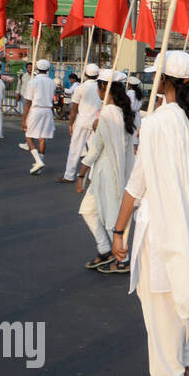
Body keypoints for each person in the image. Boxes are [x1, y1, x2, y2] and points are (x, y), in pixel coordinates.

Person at [108, 50, 189, 376]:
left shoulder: (156, 122)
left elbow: (138, 183)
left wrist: (119, 230)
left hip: (160, 224)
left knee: (159, 304)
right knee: (177, 292)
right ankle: (182, 361)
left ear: (164, 80)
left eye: (157, 75)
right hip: (187, 220)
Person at [77, 71, 136, 272]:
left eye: (99, 87)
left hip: (107, 173)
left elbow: (95, 148)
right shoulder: (122, 112)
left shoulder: (108, 114)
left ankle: (123, 259)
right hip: (116, 172)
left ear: (105, 88)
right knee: (88, 209)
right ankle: (105, 250)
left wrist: (81, 174)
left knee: (112, 218)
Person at [60, 62, 102, 182]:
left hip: (82, 121)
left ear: (85, 74)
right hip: (96, 122)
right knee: (94, 149)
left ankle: (69, 175)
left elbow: (74, 110)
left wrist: (70, 124)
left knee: (74, 149)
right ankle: (92, 176)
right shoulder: (101, 87)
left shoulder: (80, 88)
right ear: (97, 75)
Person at [21, 58, 56, 174]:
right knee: (42, 138)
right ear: (48, 69)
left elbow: (28, 102)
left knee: (28, 136)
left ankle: (38, 161)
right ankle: (39, 164)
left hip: (36, 110)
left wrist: (24, 118)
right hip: (47, 111)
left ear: (37, 68)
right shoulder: (52, 82)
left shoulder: (33, 82)